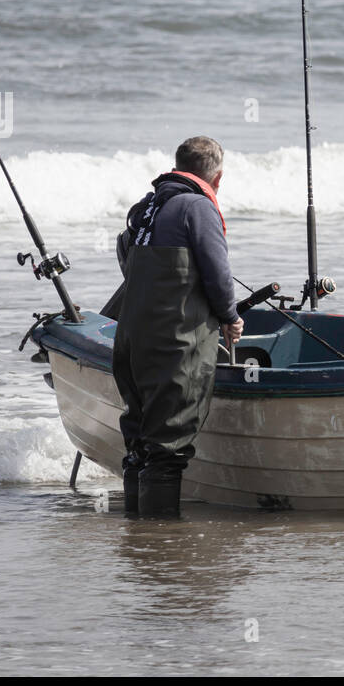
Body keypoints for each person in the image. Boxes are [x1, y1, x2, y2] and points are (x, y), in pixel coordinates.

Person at [110, 136, 243, 516]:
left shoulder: (147, 205)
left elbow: (127, 260)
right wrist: (231, 317)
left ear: (178, 165)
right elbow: (218, 276)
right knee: (167, 450)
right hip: (175, 343)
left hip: (131, 340)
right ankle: (160, 541)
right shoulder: (198, 208)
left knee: (138, 442)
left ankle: (135, 533)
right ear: (217, 178)